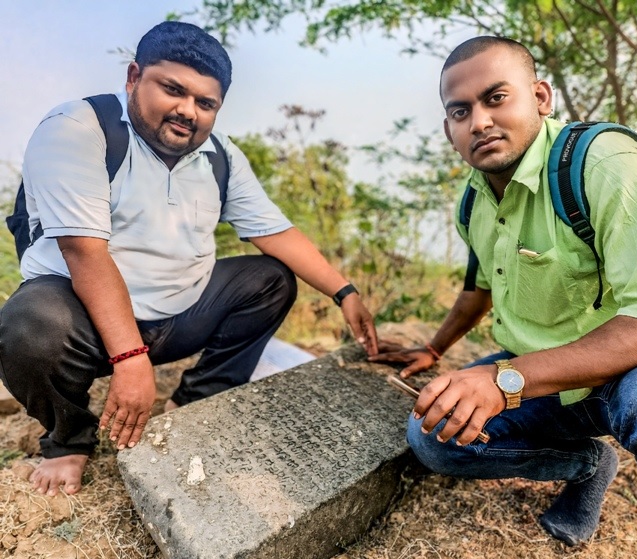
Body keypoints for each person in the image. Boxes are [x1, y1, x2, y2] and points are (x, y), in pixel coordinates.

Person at [0, 21, 379, 497]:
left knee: (271, 279)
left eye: (205, 103)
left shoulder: (221, 156)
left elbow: (275, 231)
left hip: (179, 318)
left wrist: (345, 293)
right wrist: (130, 357)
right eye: (173, 90)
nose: (188, 111)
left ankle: (193, 402)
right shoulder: (78, 128)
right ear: (134, 77)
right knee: (28, 326)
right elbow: (84, 251)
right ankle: (68, 439)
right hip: (85, 325)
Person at [371, 36, 637, 546]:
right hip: (539, 377)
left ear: (541, 97)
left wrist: (503, 382)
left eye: (496, 98)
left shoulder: (605, 166)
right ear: (449, 130)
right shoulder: (474, 201)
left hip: (621, 371)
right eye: (460, 111)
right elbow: (478, 288)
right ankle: (588, 465)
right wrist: (434, 348)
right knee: (434, 435)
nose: (479, 122)